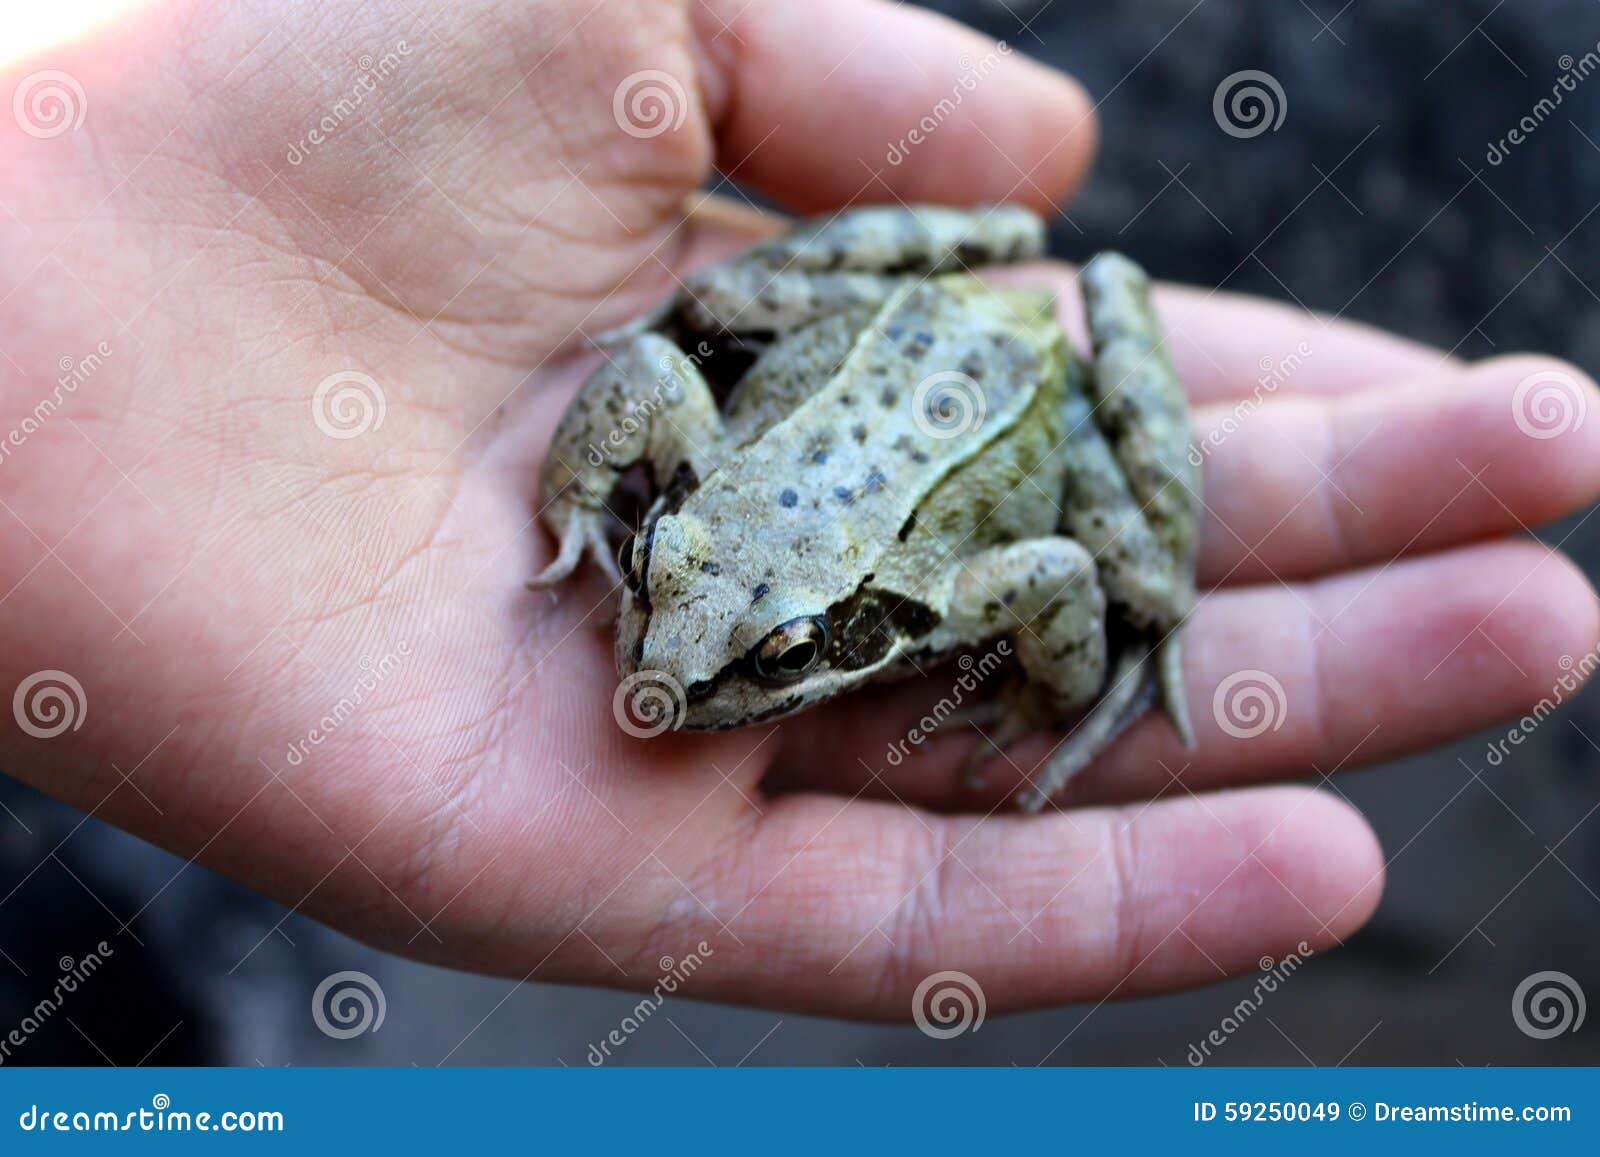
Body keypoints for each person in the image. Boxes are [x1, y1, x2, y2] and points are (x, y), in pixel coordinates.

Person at [1, 0, 1596, 1020]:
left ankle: (1137, 601)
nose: (661, 663)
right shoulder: (687, 541)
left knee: (1141, 584)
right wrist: (581, 509)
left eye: (757, 658)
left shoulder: (933, 600)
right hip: (875, 362)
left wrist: (1067, 665)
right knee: (717, 329)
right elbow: (642, 375)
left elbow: (1046, 563)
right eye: (661, 574)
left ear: (837, 638)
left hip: (1011, 390)